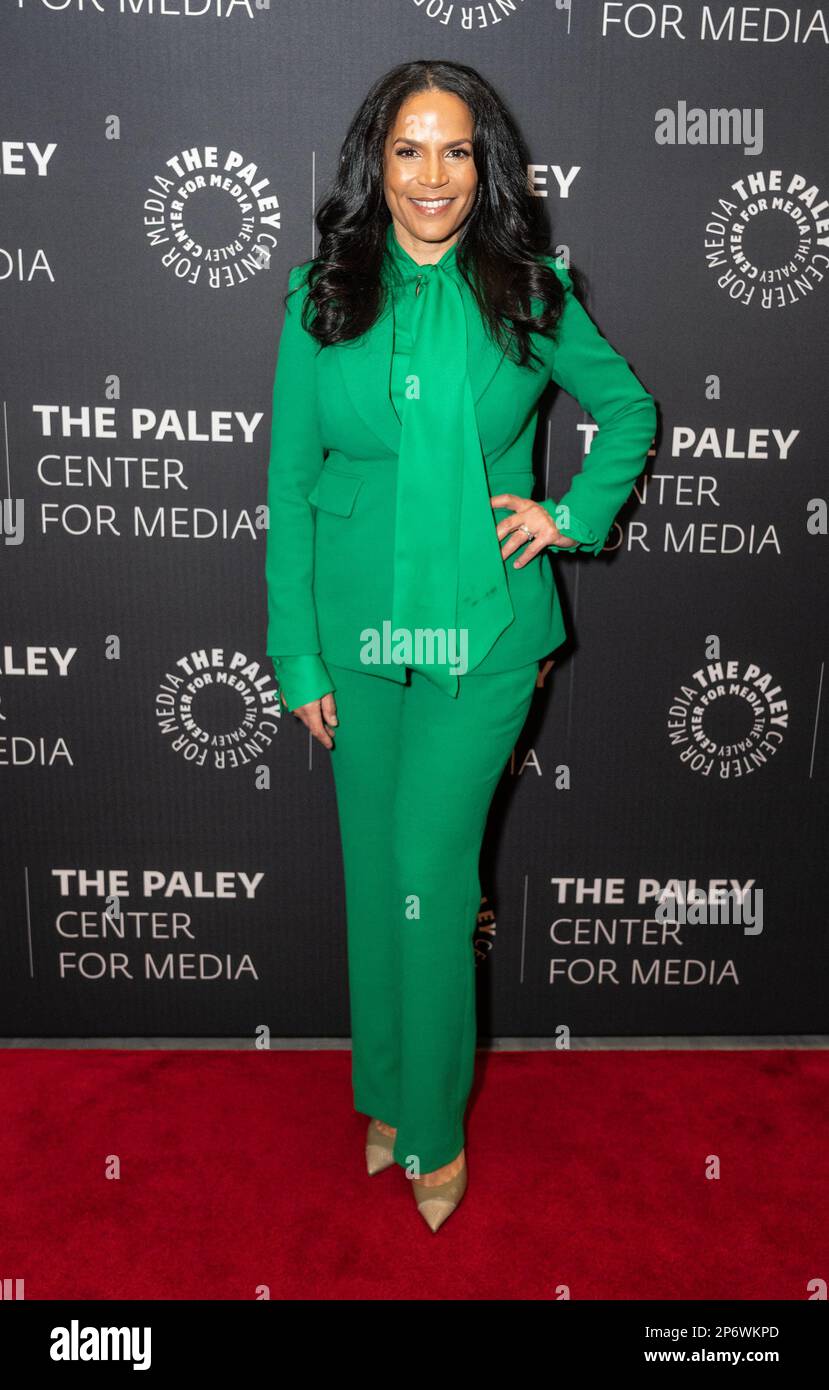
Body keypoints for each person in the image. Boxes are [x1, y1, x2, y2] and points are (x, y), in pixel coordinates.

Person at [265, 59, 657, 1232]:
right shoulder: (320, 296)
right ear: (374, 163)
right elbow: (288, 485)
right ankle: (385, 1092)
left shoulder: (529, 293)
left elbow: (627, 408)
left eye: (454, 151)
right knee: (375, 875)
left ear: (485, 167)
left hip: (482, 635)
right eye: (407, 150)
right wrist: (298, 656)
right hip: (356, 632)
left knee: (430, 878)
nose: (430, 176)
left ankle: (431, 1127)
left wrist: (570, 516)